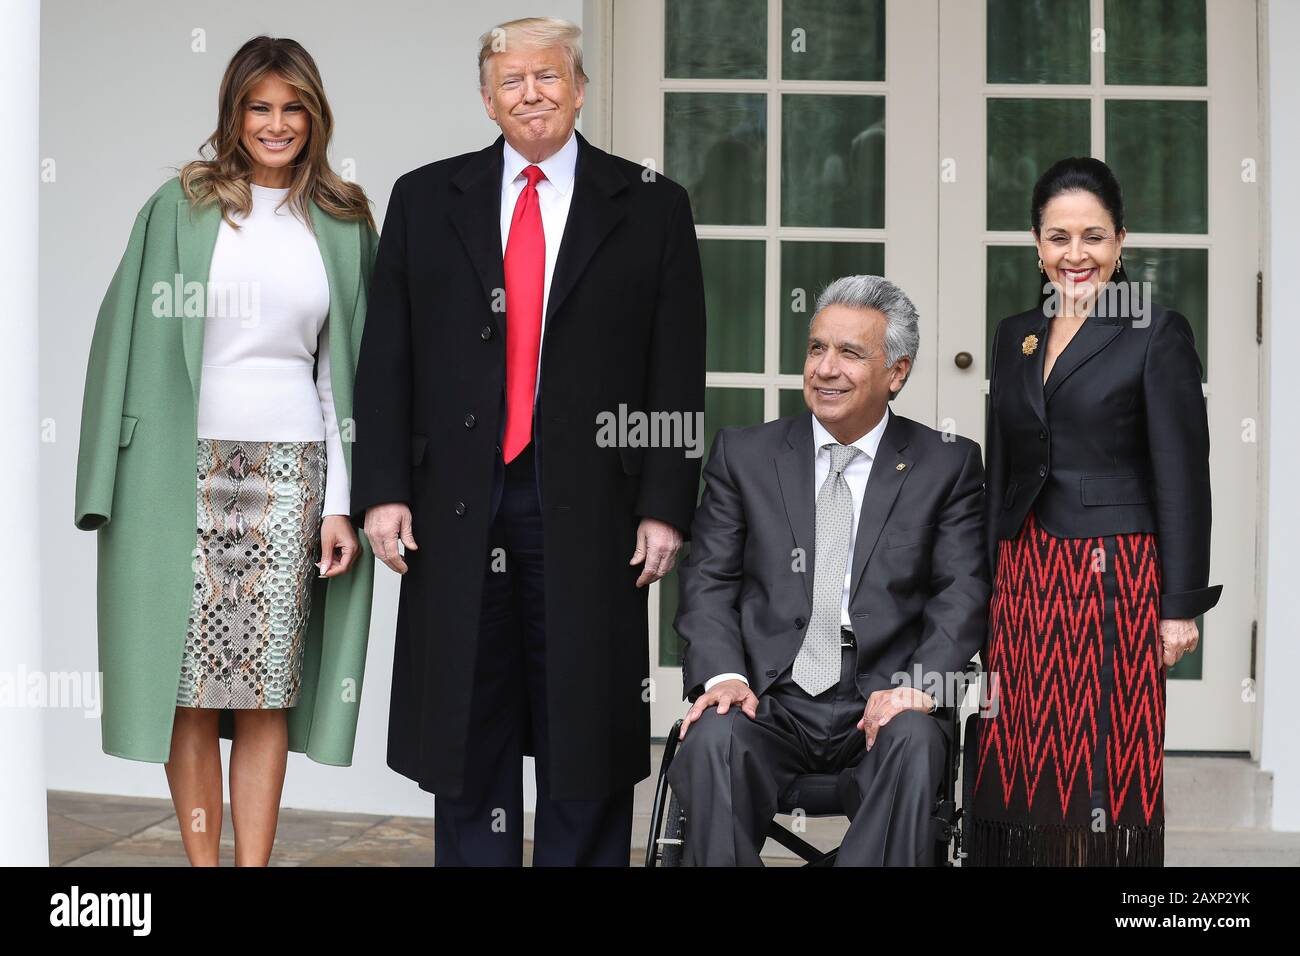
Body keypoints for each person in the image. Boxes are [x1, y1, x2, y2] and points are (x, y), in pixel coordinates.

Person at [350, 16, 706, 866]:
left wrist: (663, 504)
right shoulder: (425, 198)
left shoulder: (651, 202)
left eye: (548, 77)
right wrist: (383, 489)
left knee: (584, 723)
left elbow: (677, 366)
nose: (531, 94)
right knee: (467, 723)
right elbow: (386, 359)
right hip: (456, 501)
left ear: (580, 88)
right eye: (511, 81)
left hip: (592, 505)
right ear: (486, 97)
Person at [73, 36, 377, 866]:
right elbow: (120, 342)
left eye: (292, 108)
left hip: (293, 475)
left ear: (314, 116)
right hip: (183, 471)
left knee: (266, 691)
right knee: (191, 693)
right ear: (233, 115)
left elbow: (343, 379)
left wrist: (342, 502)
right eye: (259, 107)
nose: (276, 125)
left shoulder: (345, 219)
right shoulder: (181, 205)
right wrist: (106, 476)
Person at [667, 275, 989, 866]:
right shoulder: (744, 455)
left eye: (849, 353)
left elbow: (961, 591)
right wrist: (722, 679)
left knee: (917, 742)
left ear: (897, 373)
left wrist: (919, 686)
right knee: (713, 737)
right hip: (770, 693)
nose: (825, 368)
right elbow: (708, 579)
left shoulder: (947, 464)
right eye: (817, 348)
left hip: (886, 691)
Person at [966, 156, 1222, 866]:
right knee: (1017, 756)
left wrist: (1180, 604)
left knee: (1101, 760)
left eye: (1092, 236)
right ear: (1035, 243)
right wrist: (986, 586)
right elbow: (1003, 469)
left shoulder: (1155, 331)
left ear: (1120, 240)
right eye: (1058, 237)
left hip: (1114, 577)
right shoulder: (1013, 333)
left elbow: (1182, 472)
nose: (1074, 255)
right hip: (1024, 576)